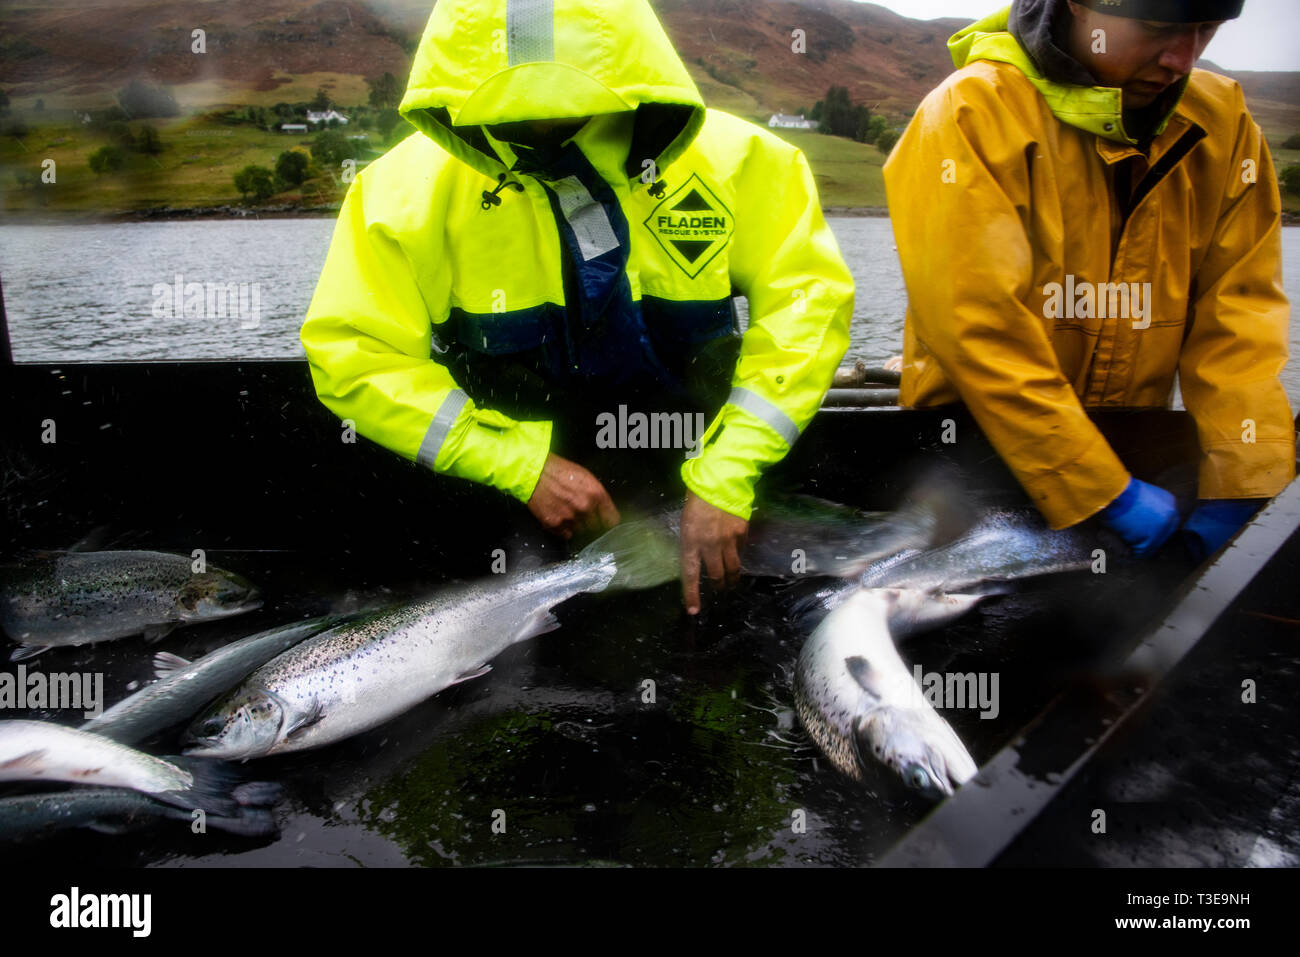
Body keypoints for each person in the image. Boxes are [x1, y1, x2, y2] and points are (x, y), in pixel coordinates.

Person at [300, 0, 853, 612]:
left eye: (567, 109)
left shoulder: (749, 163)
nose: (541, 129)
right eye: (513, 115)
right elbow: (354, 354)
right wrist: (519, 466)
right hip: (514, 520)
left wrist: (730, 473)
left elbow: (808, 305)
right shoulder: (395, 195)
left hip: (719, 496)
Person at [883, 0, 1294, 561]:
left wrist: (1246, 477)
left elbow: (1238, 318)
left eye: (1206, 29)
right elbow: (976, 324)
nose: (1182, 58)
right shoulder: (969, 112)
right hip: (970, 464)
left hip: (1132, 455)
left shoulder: (1225, 124)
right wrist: (1097, 488)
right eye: (1157, 27)